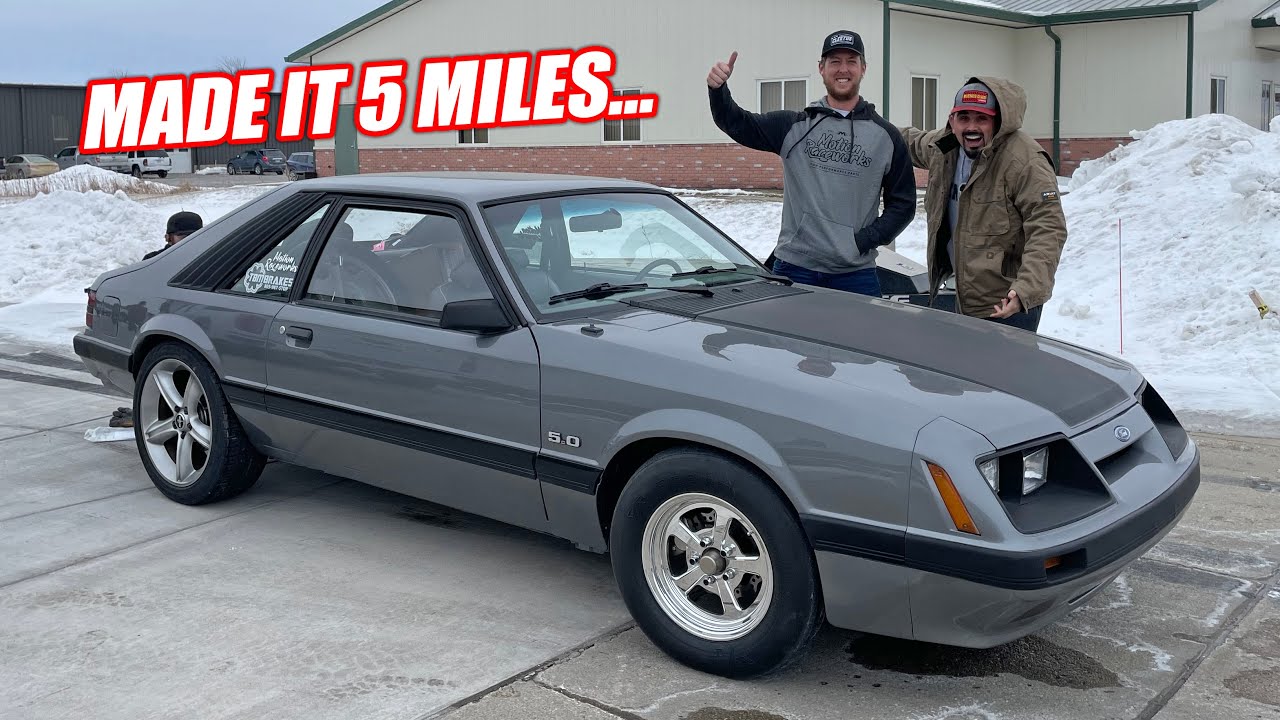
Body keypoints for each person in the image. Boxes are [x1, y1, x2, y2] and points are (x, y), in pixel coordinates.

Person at [706, 31, 916, 296]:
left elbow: (904, 204)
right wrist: (718, 90)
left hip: (856, 275)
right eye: (834, 61)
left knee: (858, 339)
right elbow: (737, 122)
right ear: (821, 68)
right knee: (786, 339)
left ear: (863, 68)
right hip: (795, 269)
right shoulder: (794, 126)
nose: (843, 69)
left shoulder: (886, 137)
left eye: (851, 61)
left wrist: (862, 241)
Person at [899, 77, 1067, 332]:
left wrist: (1025, 290)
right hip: (963, 295)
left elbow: (1048, 228)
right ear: (952, 121)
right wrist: (863, 120)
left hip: (1006, 303)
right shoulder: (945, 147)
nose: (971, 127)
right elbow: (908, 142)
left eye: (981, 118)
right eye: (964, 118)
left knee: (1005, 372)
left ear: (997, 122)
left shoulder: (1024, 161)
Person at [111, 211, 205, 428]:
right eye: (183, 236)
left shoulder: (210, 260)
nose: (188, 241)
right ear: (168, 237)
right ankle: (147, 412)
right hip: (161, 331)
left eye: (193, 235)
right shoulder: (153, 262)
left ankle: (148, 414)